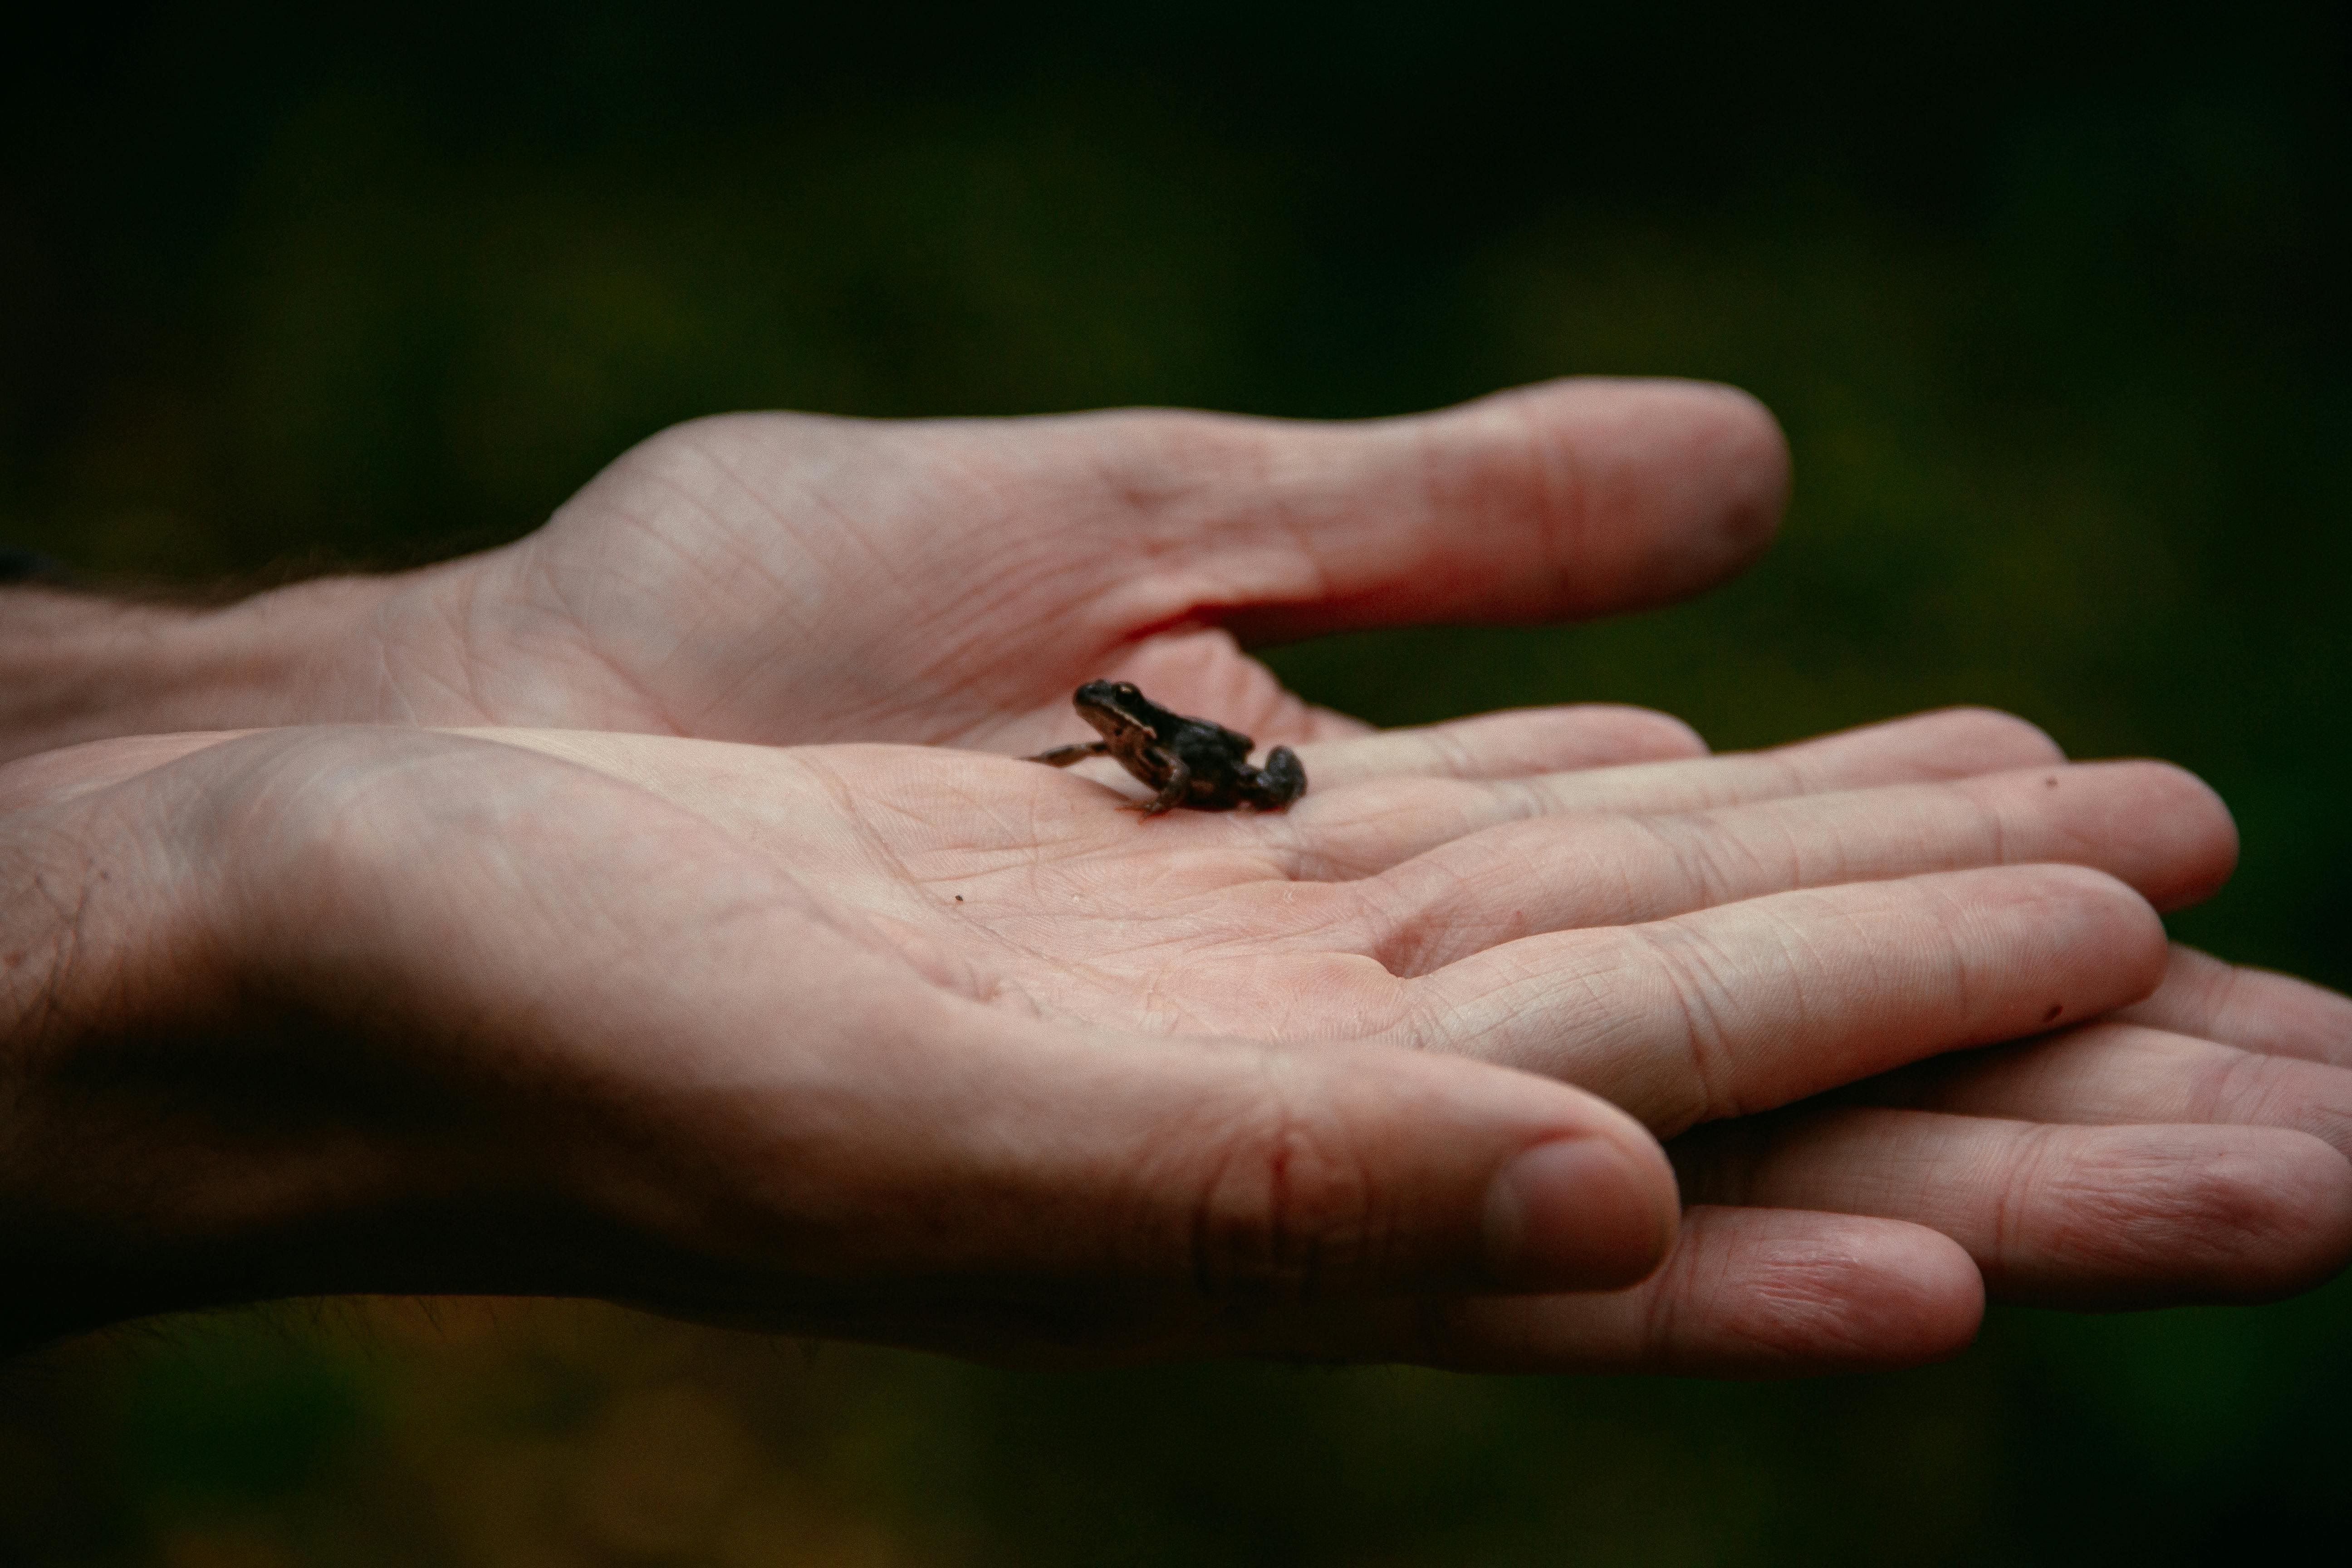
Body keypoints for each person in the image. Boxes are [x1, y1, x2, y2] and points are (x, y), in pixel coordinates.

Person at [5, 378, 2348, 1371]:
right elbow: (1111, 751)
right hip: (1181, 772)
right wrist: (164, 916)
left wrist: (359, 681)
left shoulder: (1168, 740)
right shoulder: (1112, 731)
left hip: (1233, 786)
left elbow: (1184, 764)